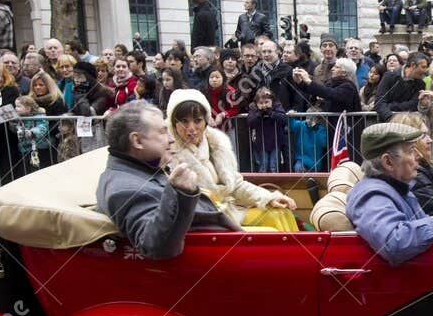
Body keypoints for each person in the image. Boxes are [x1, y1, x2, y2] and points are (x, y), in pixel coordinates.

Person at [97, 101, 239, 258]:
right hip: (223, 255)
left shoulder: (137, 170)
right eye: (162, 131)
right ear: (137, 141)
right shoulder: (126, 189)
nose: (171, 139)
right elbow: (157, 248)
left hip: (226, 247)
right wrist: (181, 193)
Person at [164, 88, 296, 228]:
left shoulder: (215, 143)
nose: (191, 128)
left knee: (281, 213)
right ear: (173, 122)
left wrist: (268, 197)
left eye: (197, 121)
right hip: (206, 226)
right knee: (271, 234)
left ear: (206, 121)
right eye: (184, 121)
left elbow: (236, 185)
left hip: (230, 214)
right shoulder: (167, 154)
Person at [346, 122, 433, 265]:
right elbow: (393, 243)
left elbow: (419, 221)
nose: (418, 155)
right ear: (388, 162)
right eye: (411, 150)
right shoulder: (373, 196)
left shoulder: (397, 188)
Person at [387, 113, 433, 222]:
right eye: (423, 135)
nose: (430, 140)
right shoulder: (415, 175)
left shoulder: (418, 171)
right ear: (409, 142)